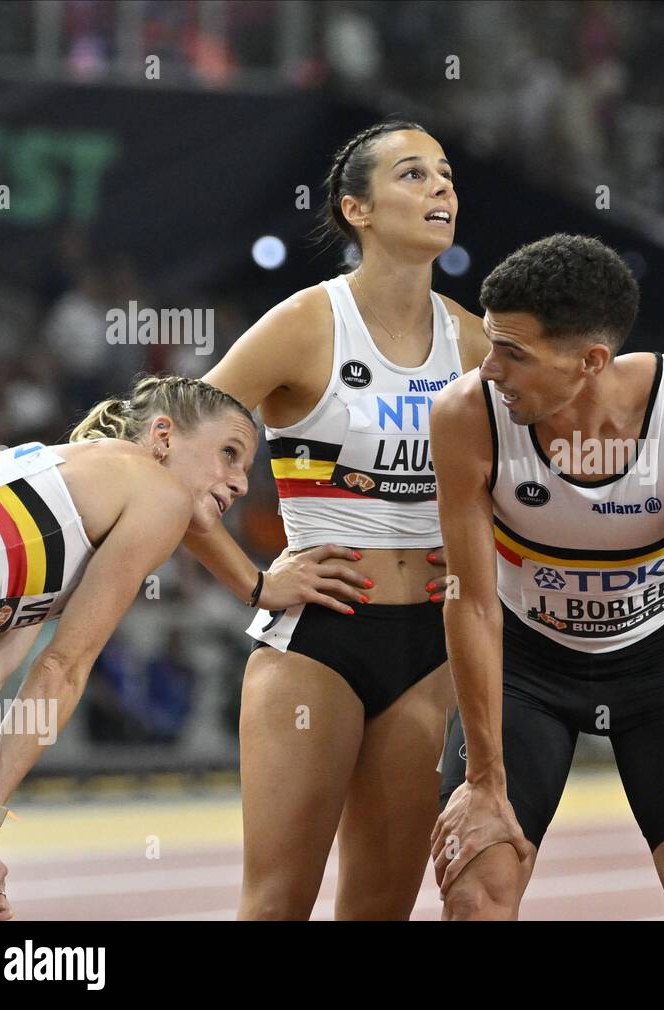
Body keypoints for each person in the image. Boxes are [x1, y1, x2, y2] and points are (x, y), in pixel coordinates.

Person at [185, 120, 489, 919]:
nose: (441, 188)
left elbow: (516, 490)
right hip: (320, 640)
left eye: (447, 175)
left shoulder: (472, 340)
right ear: (357, 208)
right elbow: (173, 458)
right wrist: (254, 581)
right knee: (278, 902)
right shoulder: (306, 323)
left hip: (431, 649)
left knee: (381, 908)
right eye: (414, 175)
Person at [429, 233, 664, 920]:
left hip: (657, 665)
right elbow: (471, 604)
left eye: (513, 353)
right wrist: (484, 780)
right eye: (491, 344)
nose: (489, 367)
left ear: (591, 361)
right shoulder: (467, 415)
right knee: (475, 892)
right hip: (525, 667)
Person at [0, 374, 258, 921]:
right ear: (162, 435)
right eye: (229, 454)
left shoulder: (61, 491)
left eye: (245, 469)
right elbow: (62, 668)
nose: (238, 482)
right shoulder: (157, 493)